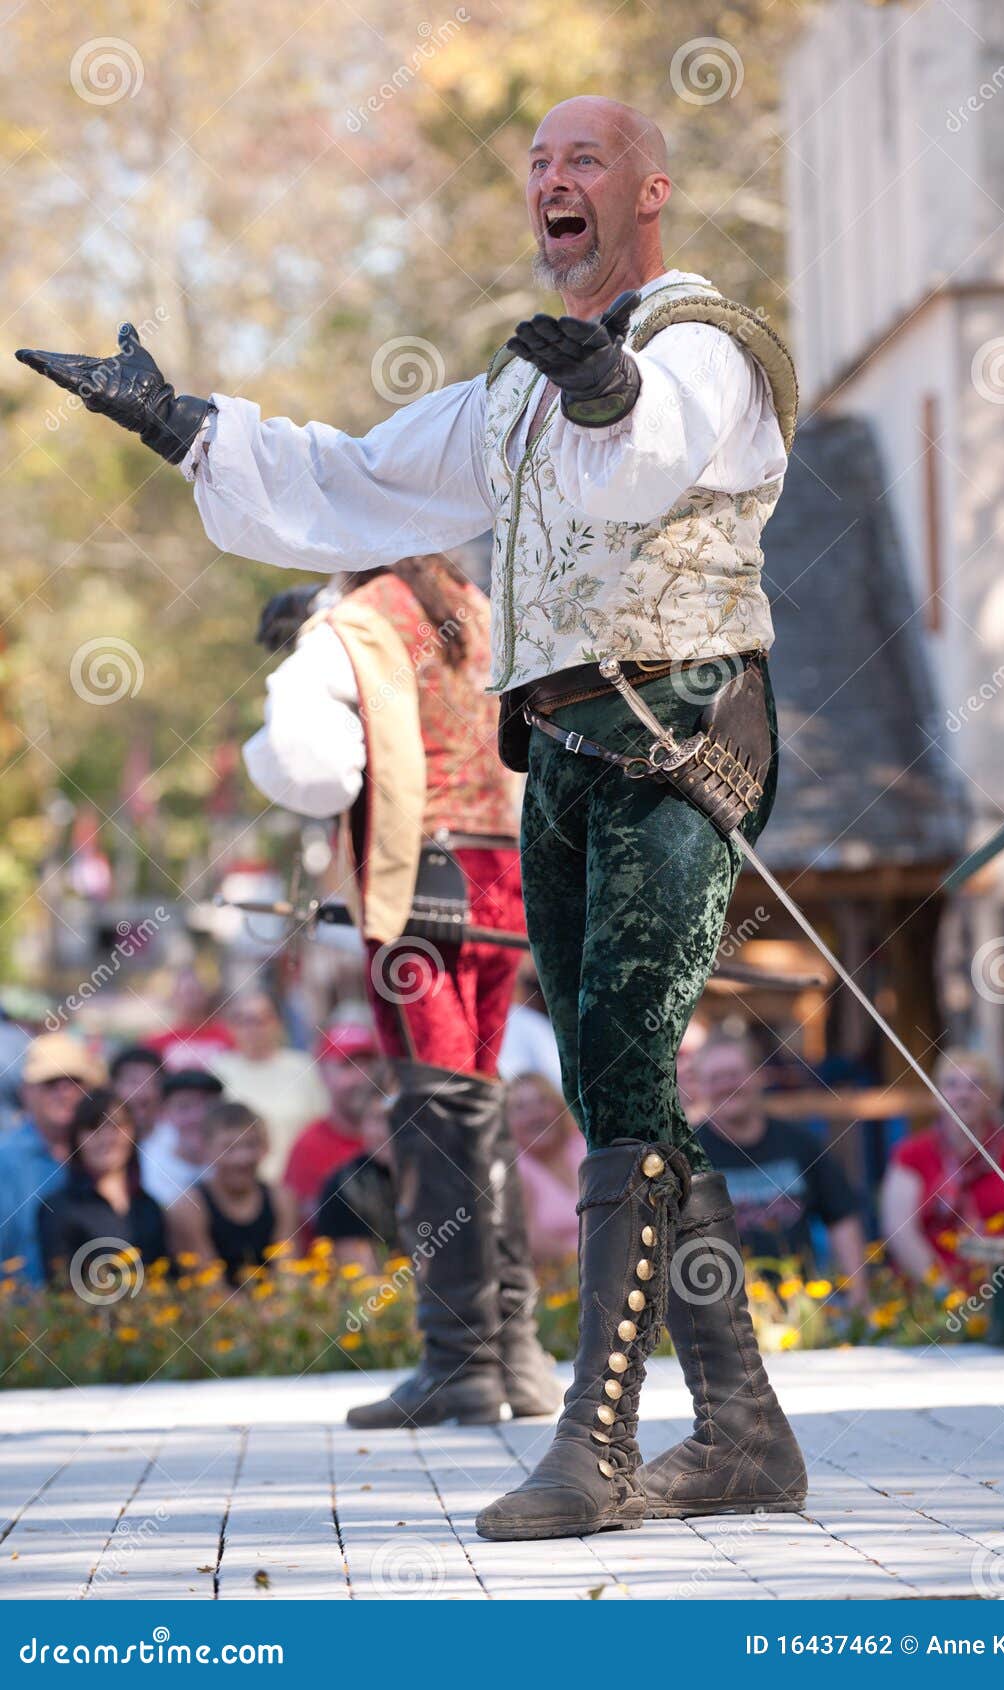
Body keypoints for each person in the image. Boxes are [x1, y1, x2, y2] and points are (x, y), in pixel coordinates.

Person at [17, 93, 805, 1539]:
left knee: (620, 1077)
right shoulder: (509, 391)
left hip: (679, 736)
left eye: (584, 162)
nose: (551, 181)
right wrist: (187, 424)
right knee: (610, 1091)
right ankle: (745, 1432)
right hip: (558, 753)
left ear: (651, 193)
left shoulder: (705, 341)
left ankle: (595, 1444)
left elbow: (656, 441)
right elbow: (360, 480)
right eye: (538, 164)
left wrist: (609, 390)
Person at [243, 561, 562, 1429]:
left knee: (436, 1107)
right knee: (474, 1097)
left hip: (419, 883)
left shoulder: (358, 618)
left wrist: (309, 646)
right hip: (503, 878)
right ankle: (516, 1360)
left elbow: (309, 770)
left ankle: (461, 1360)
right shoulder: (490, 608)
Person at [694, 1035, 870, 1305]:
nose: (726, 1085)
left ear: (759, 1077)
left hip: (803, 1311)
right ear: (701, 1087)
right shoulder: (685, 1154)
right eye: (715, 1078)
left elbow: (842, 1216)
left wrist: (859, 1297)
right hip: (717, 1316)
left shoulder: (800, 1143)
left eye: (734, 1074)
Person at [880, 1048, 1004, 1291]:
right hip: (930, 1297)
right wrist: (942, 1291)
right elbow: (899, 1231)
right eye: (952, 1085)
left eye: (975, 1085)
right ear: (936, 1095)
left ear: (994, 1095)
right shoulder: (911, 1154)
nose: (963, 1094)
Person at [0, 1033, 106, 1286]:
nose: (64, 1092)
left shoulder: (110, 1153)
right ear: (26, 1092)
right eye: (51, 1083)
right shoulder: (6, 1160)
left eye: (74, 1082)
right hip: (22, 1318)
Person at [38, 1089, 166, 1287]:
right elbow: (62, 1288)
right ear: (77, 1139)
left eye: (117, 1127)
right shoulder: (57, 1208)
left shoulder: (149, 1206)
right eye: (93, 1128)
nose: (107, 1139)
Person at [166, 1101, 298, 1285]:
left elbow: (288, 1276)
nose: (242, 1158)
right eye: (229, 1148)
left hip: (276, 1308)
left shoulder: (282, 1199)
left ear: (265, 1147)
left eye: (251, 1145)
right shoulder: (188, 1208)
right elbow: (211, 1289)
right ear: (207, 1149)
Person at [207, 991, 328, 1182]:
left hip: (297, 1181)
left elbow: (323, 1126)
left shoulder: (304, 1067)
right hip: (238, 1186)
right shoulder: (218, 1069)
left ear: (277, 1024)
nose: (251, 1028)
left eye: (259, 1020)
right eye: (242, 1020)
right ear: (232, 1026)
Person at [283, 1025, 393, 1226]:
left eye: (368, 1064)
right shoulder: (308, 1147)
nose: (361, 1077)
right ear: (323, 1073)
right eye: (348, 1066)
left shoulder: (395, 1141)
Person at [312, 1087, 399, 1271]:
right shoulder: (345, 1186)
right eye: (377, 1119)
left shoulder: (444, 1179)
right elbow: (361, 1283)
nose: (386, 1131)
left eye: (397, 1118)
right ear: (361, 1125)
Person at [507, 1073, 584, 1266]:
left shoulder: (583, 1145)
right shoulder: (514, 1169)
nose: (535, 1115)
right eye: (520, 1108)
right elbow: (529, 1238)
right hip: (563, 1279)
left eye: (543, 1102)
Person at [139, 1067, 224, 1208]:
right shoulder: (143, 1166)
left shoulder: (236, 1160)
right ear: (164, 1113)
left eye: (209, 1107)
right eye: (184, 1107)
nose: (198, 1117)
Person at [146, 968, 236, 1072]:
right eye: (186, 993)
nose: (191, 999)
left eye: (196, 992)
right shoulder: (156, 1041)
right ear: (174, 997)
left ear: (205, 996)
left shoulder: (228, 1035)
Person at [108, 1045, 164, 1140]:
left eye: (150, 1083)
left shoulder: (176, 1143)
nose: (141, 1093)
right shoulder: (95, 1142)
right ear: (112, 1087)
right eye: (133, 1081)